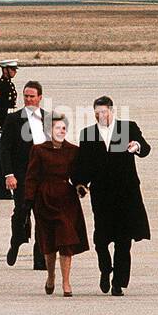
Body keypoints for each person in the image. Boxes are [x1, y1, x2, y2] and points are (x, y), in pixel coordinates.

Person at [71, 96, 152, 296]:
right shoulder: (88, 133)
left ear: (112, 111)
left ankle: (118, 283)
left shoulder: (128, 128)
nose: (101, 116)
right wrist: (80, 183)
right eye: (97, 113)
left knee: (124, 241)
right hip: (102, 194)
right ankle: (106, 269)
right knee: (101, 239)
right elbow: (83, 163)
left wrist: (136, 146)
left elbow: (145, 148)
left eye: (104, 112)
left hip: (126, 194)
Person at [24, 114, 89, 296]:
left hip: (66, 200)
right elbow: (31, 177)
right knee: (49, 242)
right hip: (45, 199)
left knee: (66, 240)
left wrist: (81, 186)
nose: (60, 131)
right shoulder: (38, 150)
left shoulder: (73, 150)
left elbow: (77, 175)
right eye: (56, 128)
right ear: (48, 131)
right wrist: (28, 201)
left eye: (63, 128)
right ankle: (51, 276)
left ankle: (66, 282)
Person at [0, 79, 48, 269]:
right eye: (26, 96)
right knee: (21, 212)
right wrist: (9, 174)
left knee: (42, 217)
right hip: (21, 177)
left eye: (32, 96)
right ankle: (16, 241)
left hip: (43, 177)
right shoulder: (13, 119)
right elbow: (4, 149)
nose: (28, 99)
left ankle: (40, 258)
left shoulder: (50, 118)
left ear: (40, 97)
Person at [0, 60, 19, 200]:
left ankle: (5, 190)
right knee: (1, 158)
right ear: (5, 70)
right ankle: (1, 192)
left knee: (7, 157)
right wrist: (1, 129)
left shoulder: (9, 85)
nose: (14, 71)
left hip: (8, 125)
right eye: (12, 69)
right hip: (1, 126)